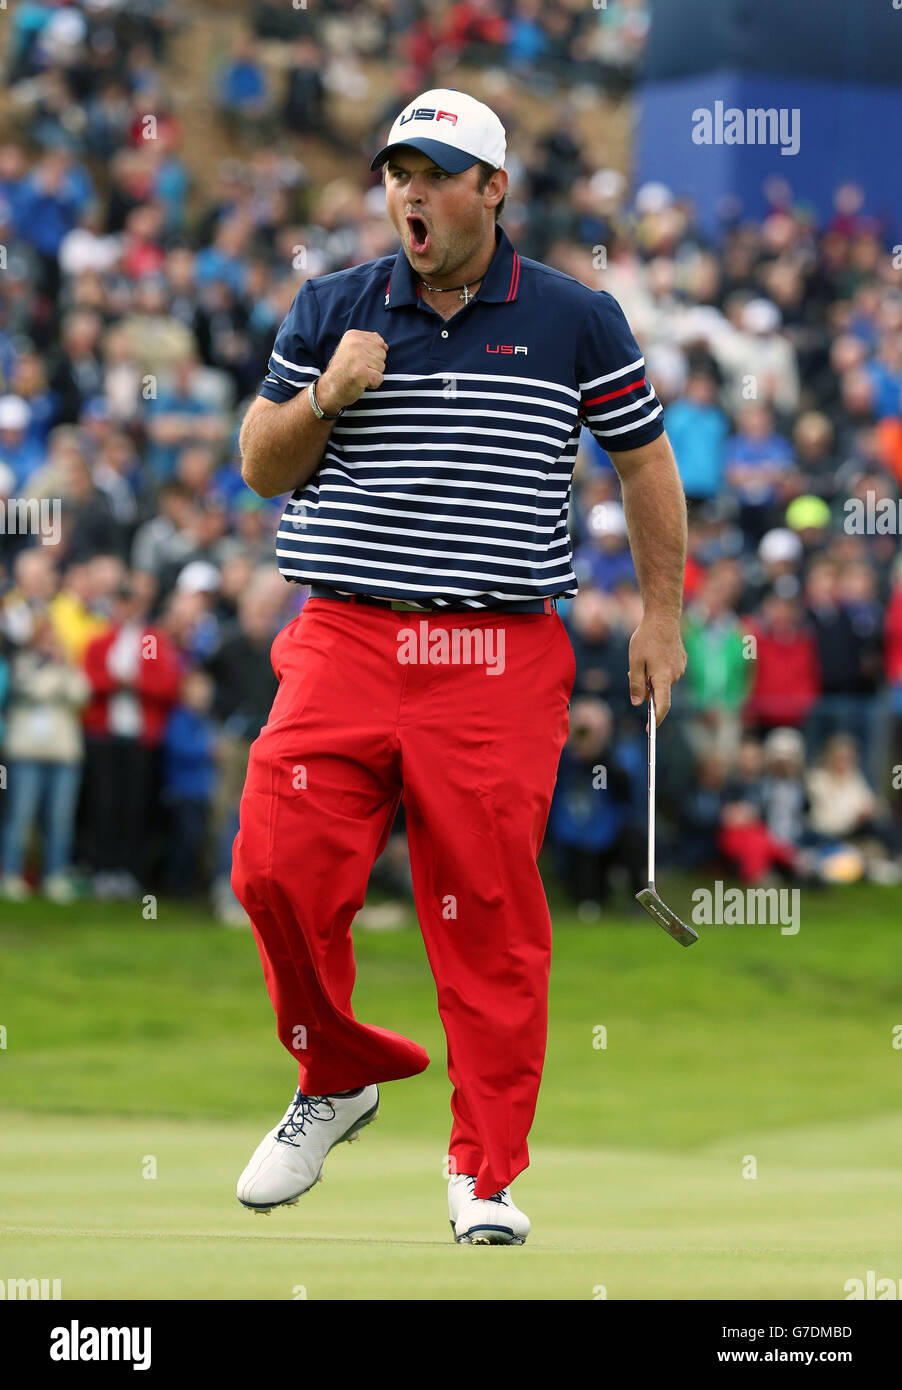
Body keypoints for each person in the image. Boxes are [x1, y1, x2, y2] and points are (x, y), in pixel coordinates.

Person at [231, 89, 687, 1245]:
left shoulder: (576, 316)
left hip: (494, 650)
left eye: (435, 173)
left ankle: (481, 1170)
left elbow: (642, 468)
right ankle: (334, 1074)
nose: (410, 193)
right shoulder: (333, 304)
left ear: (492, 189)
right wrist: (327, 394)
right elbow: (258, 465)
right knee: (274, 869)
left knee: (486, 913)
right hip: (343, 634)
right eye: (398, 173)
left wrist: (660, 614)